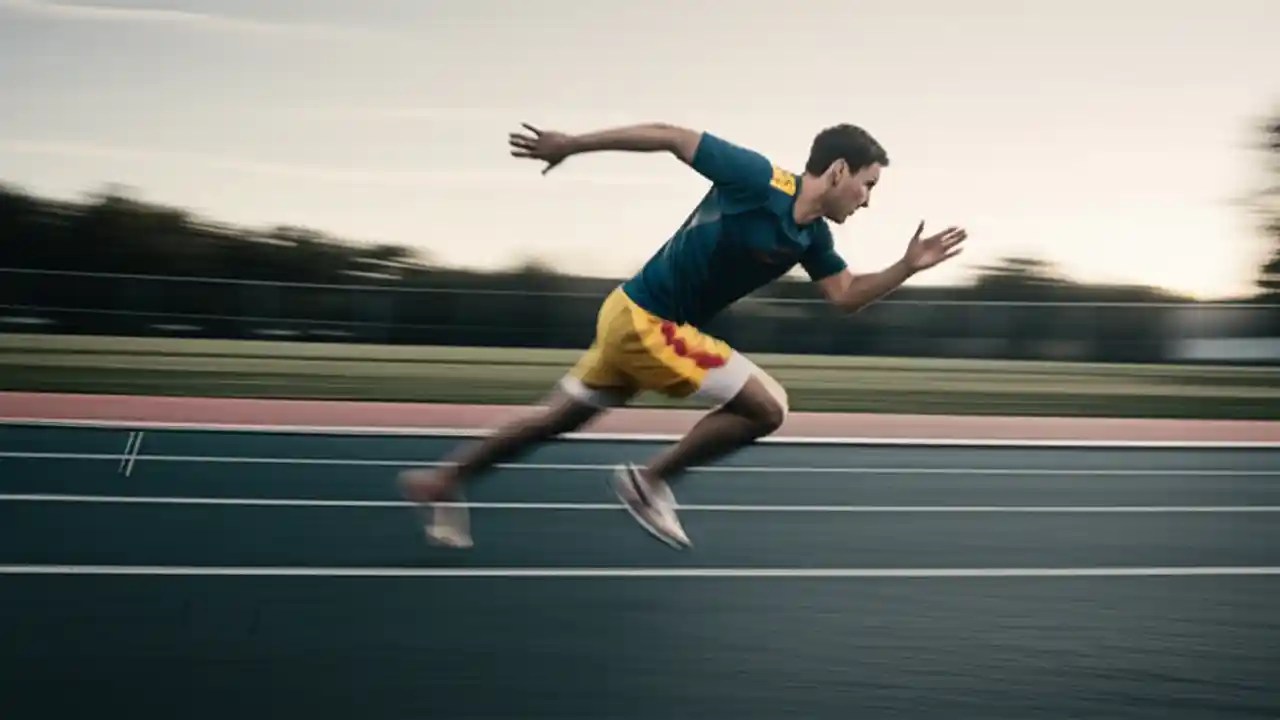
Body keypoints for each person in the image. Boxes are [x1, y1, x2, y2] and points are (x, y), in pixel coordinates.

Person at [400, 121, 966, 550]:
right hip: (648, 321)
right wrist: (572, 145)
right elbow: (672, 136)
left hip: (630, 316)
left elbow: (844, 296)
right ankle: (650, 480)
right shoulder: (757, 178)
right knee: (769, 408)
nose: (868, 201)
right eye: (868, 186)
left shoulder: (812, 238)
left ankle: (446, 478)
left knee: (555, 420)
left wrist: (907, 266)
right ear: (839, 171)